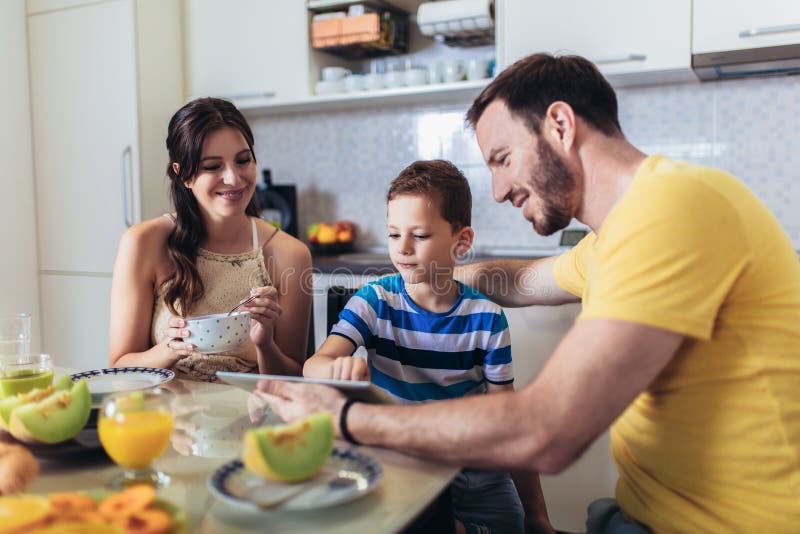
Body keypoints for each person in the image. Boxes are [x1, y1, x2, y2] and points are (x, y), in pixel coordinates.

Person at [258, 53, 800, 532]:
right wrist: (430, 275)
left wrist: (349, 418)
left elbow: (547, 431)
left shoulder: (672, 211)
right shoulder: (618, 236)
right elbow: (519, 281)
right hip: (641, 511)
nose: (496, 189)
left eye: (501, 158)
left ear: (560, 125)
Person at [303, 160, 552, 534]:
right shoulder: (374, 301)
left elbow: (510, 422)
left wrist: (538, 517)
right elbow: (315, 364)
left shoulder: (487, 320)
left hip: (479, 475)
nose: (402, 249)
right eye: (392, 234)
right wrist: (333, 369)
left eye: (418, 236)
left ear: (461, 241)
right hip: (403, 468)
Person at [109, 97, 311, 381]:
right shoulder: (143, 243)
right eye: (213, 166)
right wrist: (169, 350)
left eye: (243, 160)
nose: (234, 178)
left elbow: (293, 378)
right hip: (166, 417)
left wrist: (265, 344)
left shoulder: (289, 254)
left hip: (251, 418)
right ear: (183, 176)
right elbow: (119, 367)